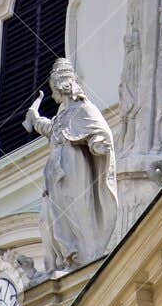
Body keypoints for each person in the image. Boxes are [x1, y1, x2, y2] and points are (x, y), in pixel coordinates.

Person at [25, 60, 117, 273]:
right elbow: (50, 128)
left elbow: (100, 130)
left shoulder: (83, 108)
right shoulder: (61, 116)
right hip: (56, 169)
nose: (53, 94)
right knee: (57, 215)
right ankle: (70, 257)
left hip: (74, 164)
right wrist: (35, 118)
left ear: (62, 86)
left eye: (54, 88)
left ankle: (88, 252)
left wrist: (97, 143)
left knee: (78, 206)